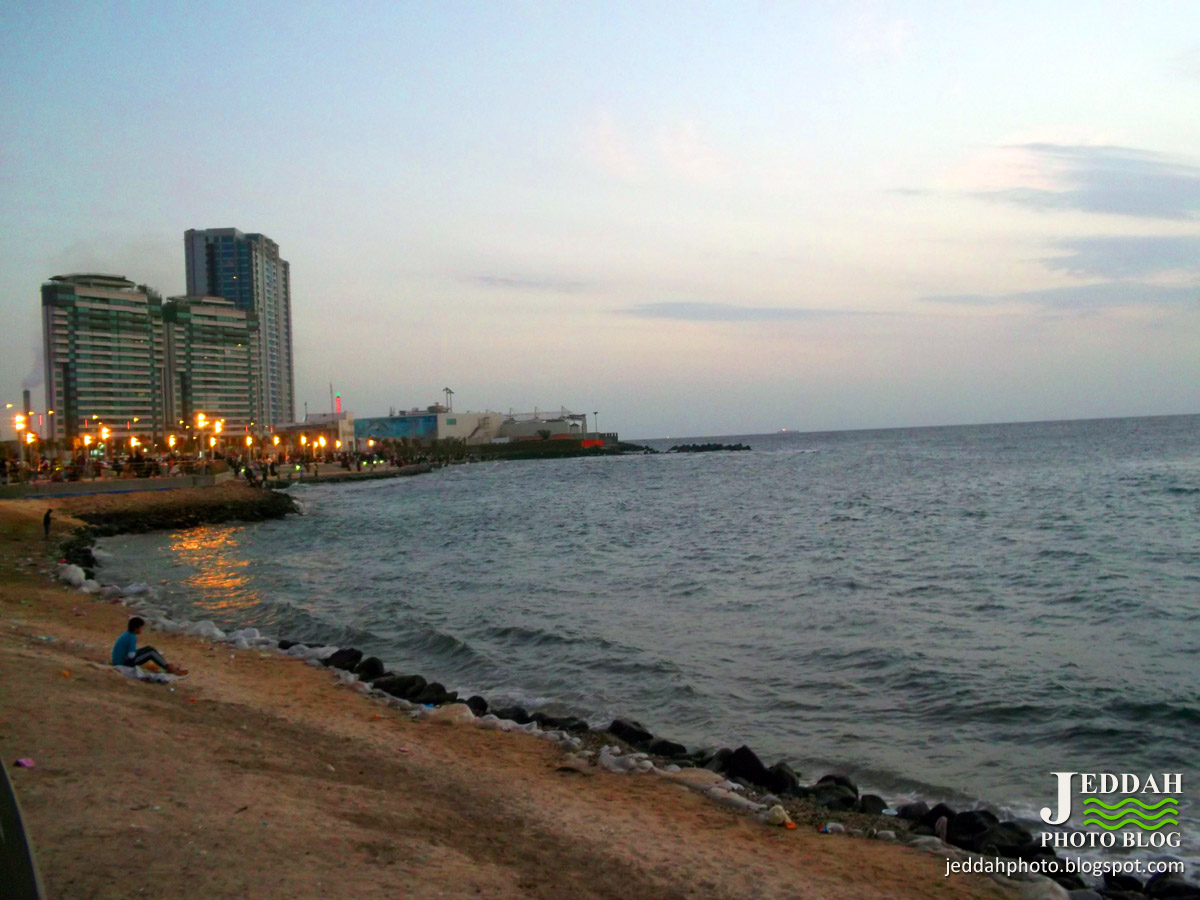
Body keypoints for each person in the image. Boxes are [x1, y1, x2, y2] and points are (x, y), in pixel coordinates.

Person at [111, 617, 188, 676]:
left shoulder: (127, 634)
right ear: (136, 628)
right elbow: (131, 655)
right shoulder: (132, 637)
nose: (142, 629)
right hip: (124, 663)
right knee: (150, 652)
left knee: (148, 649)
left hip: (120, 660)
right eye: (141, 627)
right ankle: (168, 667)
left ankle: (167, 666)